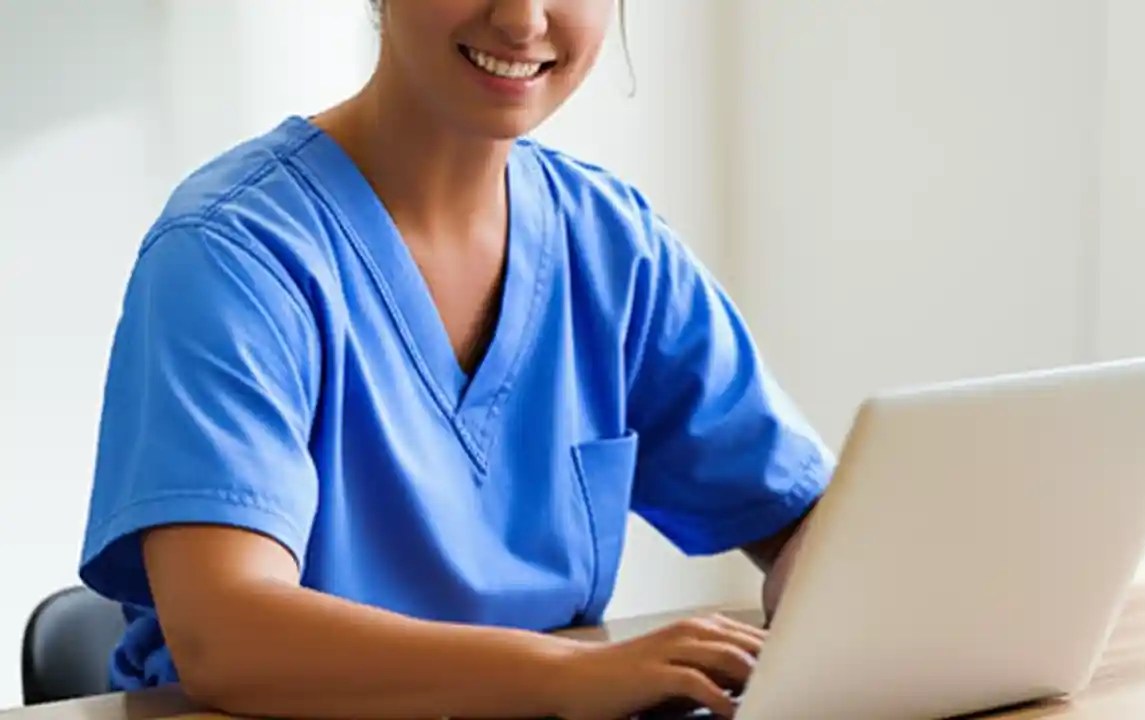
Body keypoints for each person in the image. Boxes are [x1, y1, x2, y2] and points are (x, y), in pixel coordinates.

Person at [79, 1, 832, 718]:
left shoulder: (611, 244)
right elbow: (226, 637)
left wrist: (831, 627)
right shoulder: (231, 255)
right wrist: (575, 677)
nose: (522, 20)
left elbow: (811, 522)